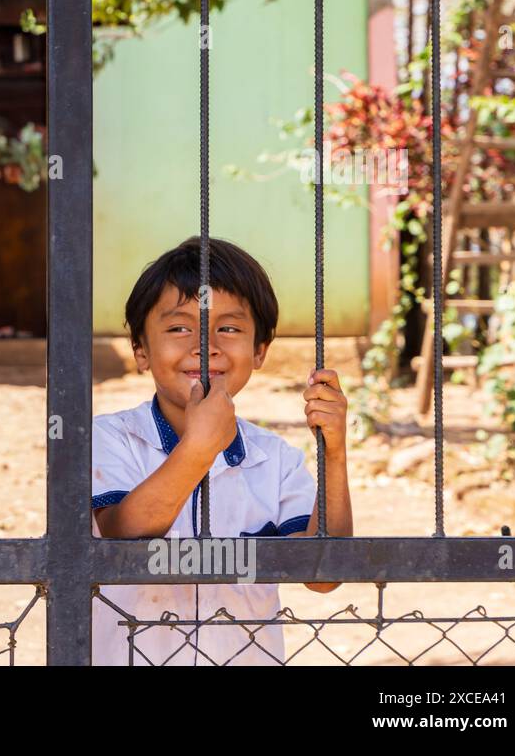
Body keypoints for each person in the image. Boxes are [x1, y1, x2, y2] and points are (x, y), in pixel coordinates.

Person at [92, 237, 353, 665]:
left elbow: (324, 576)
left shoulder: (276, 459)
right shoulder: (110, 438)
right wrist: (199, 448)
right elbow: (125, 535)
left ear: (259, 350)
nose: (204, 345)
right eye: (178, 328)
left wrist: (335, 453)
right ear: (141, 349)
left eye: (228, 328)